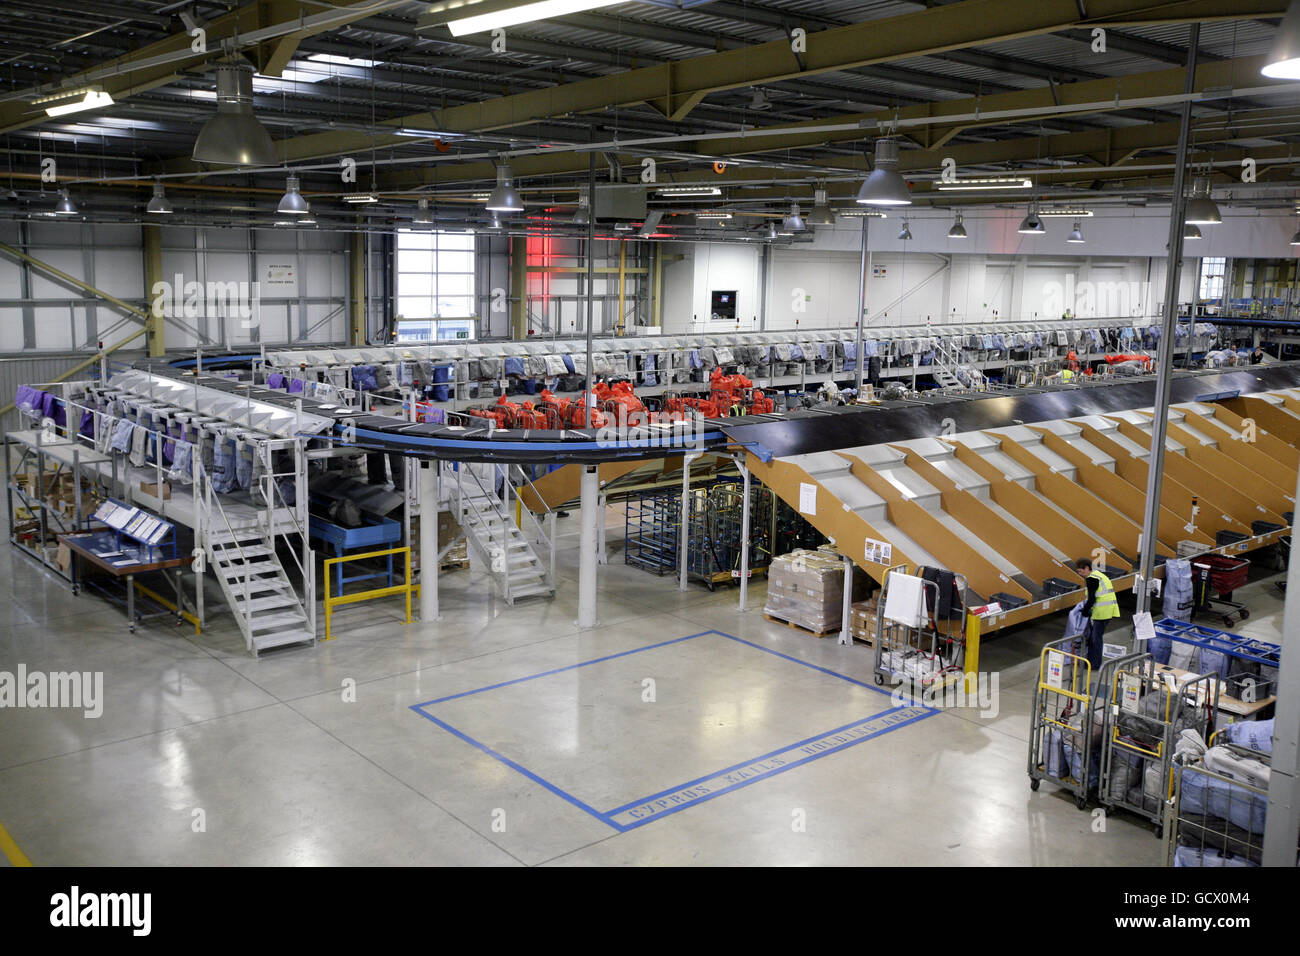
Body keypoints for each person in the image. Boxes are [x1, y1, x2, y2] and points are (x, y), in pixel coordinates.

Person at [1076, 557, 1120, 670]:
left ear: (1086, 568)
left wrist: (1085, 611)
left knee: (1096, 639)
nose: (1080, 574)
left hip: (1102, 613)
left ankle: (1094, 664)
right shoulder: (1099, 575)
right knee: (1093, 637)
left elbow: (1091, 599)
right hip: (1108, 610)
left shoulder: (1091, 579)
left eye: (1080, 571)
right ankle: (1091, 661)